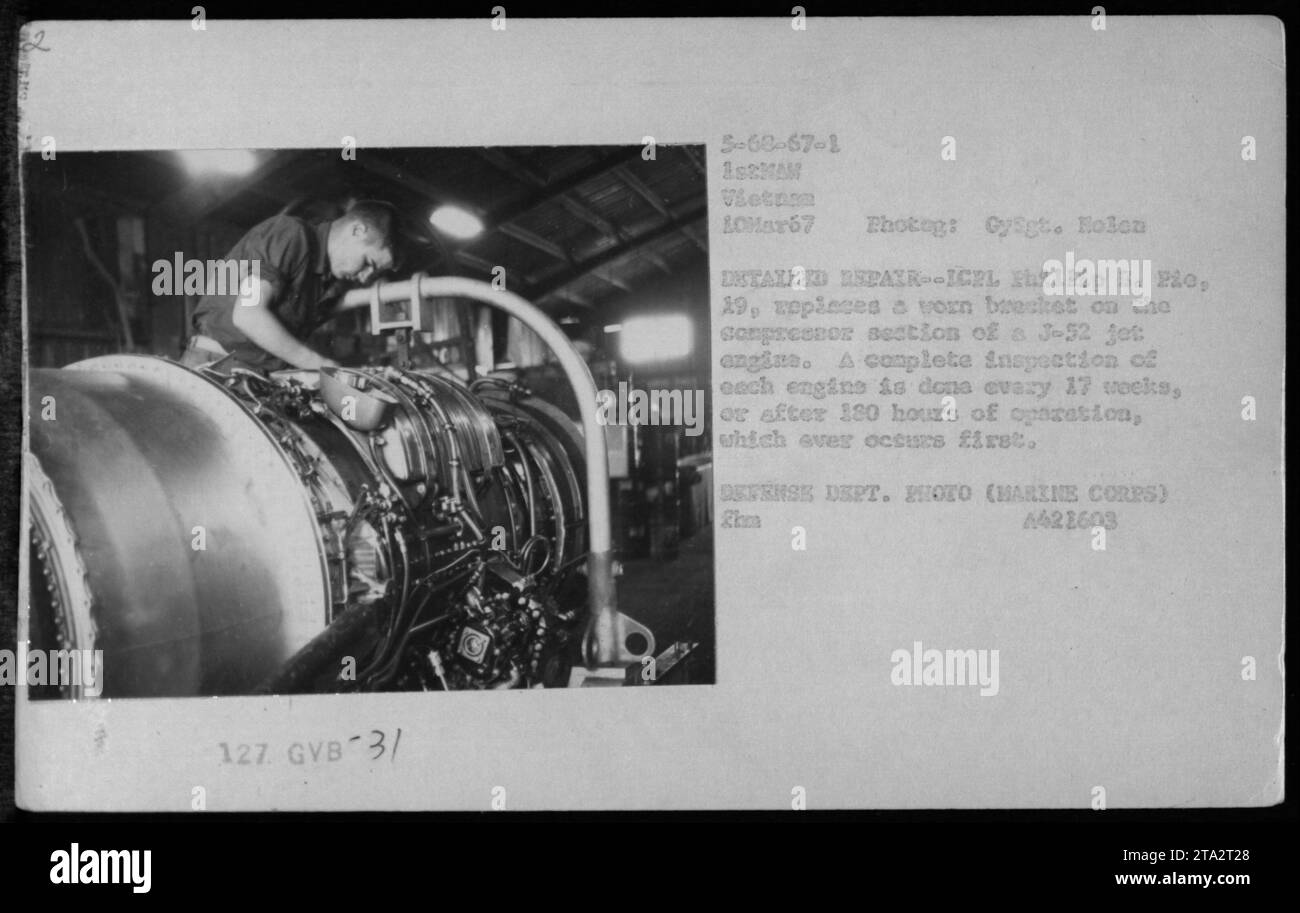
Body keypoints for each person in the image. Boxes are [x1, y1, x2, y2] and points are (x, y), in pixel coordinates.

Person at [181, 201, 399, 373]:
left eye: (375, 273)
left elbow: (342, 302)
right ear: (357, 230)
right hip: (216, 367)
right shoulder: (290, 234)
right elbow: (248, 314)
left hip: (252, 375)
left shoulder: (323, 280)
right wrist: (318, 363)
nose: (365, 277)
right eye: (369, 263)